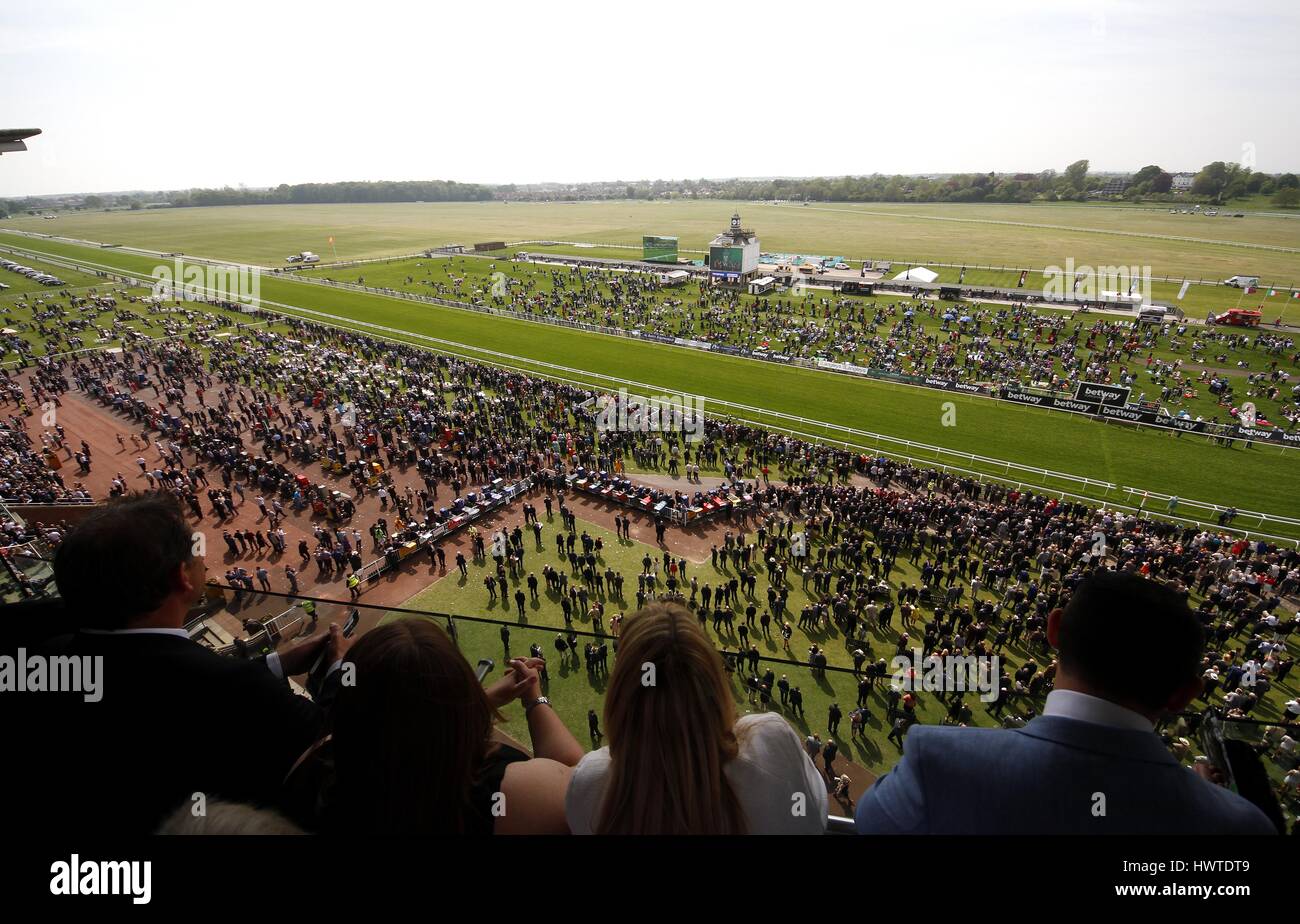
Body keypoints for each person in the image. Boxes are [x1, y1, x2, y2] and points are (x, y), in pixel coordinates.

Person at [12, 493, 345, 835]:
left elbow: (173, 681)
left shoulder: (43, 659)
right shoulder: (235, 691)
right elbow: (333, 739)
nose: (202, 560)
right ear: (181, 578)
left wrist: (274, 664)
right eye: (194, 552)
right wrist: (339, 670)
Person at [856, 571, 1277, 835]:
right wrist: (1211, 803)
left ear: (1054, 630)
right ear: (1186, 694)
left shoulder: (938, 756)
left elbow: (869, 822)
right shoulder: (1238, 825)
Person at [287, 619, 582, 834]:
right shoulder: (496, 790)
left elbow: (400, 723)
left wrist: (482, 700)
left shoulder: (318, 767)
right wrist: (534, 698)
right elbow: (580, 781)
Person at [566, 603, 827, 834]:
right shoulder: (771, 737)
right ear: (714, 682)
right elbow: (815, 811)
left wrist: (536, 701)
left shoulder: (594, 782)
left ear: (621, 694)